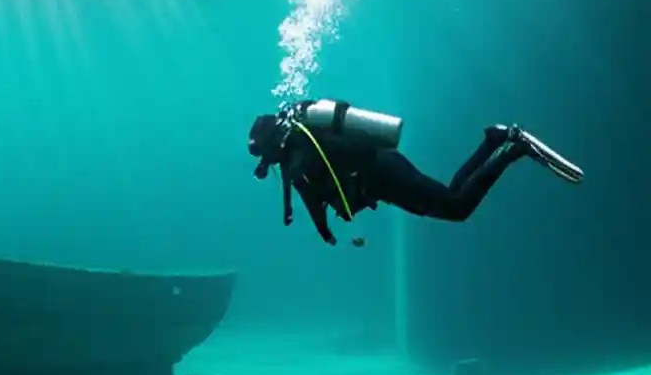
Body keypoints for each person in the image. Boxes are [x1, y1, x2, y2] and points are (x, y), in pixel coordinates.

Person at [248, 99, 583, 246]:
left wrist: (328, 230)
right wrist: (325, 232)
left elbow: (315, 193)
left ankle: (514, 148)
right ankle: (492, 141)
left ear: (269, 144)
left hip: (386, 176)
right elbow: (313, 199)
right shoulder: (297, 154)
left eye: (261, 152)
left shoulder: (298, 156)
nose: (263, 161)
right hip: (386, 175)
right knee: (451, 197)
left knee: (457, 208)